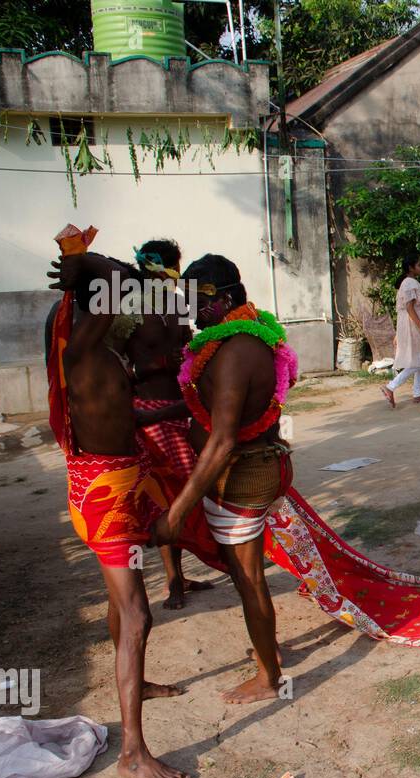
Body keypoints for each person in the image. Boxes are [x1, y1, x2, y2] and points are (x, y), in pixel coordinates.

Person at [45, 235, 189, 778]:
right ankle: (133, 752)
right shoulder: (80, 347)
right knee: (137, 615)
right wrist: (92, 265)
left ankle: (138, 681)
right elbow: (124, 284)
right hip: (105, 498)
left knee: (119, 601)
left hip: (110, 485)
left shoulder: (93, 352)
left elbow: (124, 416)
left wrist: (188, 404)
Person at [152, 254, 299, 704]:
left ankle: (268, 677)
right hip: (247, 467)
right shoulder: (235, 338)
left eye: (197, 299)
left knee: (249, 576)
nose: (190, 309)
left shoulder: (235, 349)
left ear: (223, 298)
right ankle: (267, 647)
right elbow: (213, 409)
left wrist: (176, 514)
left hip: (244, 472)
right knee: (243, 573)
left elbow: (221, 440)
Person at [125, 238, 213, 609]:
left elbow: (187, 348)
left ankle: (198, 565)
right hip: (149, 408)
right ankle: (174, 579)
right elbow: (129, 365)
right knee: (166, 496)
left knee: (196, 488)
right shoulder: (130, 307)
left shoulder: (176, 305)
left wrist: (188, 350)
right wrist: (164, 361)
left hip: (182, 405)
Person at [381, 254, 420, 407]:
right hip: (412, 325)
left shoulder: (408, 282)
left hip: (409, 324)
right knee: (417, 360)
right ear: (411, 268)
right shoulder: (410, 282)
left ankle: (417, 392)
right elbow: (409, 308)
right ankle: (391, 386)